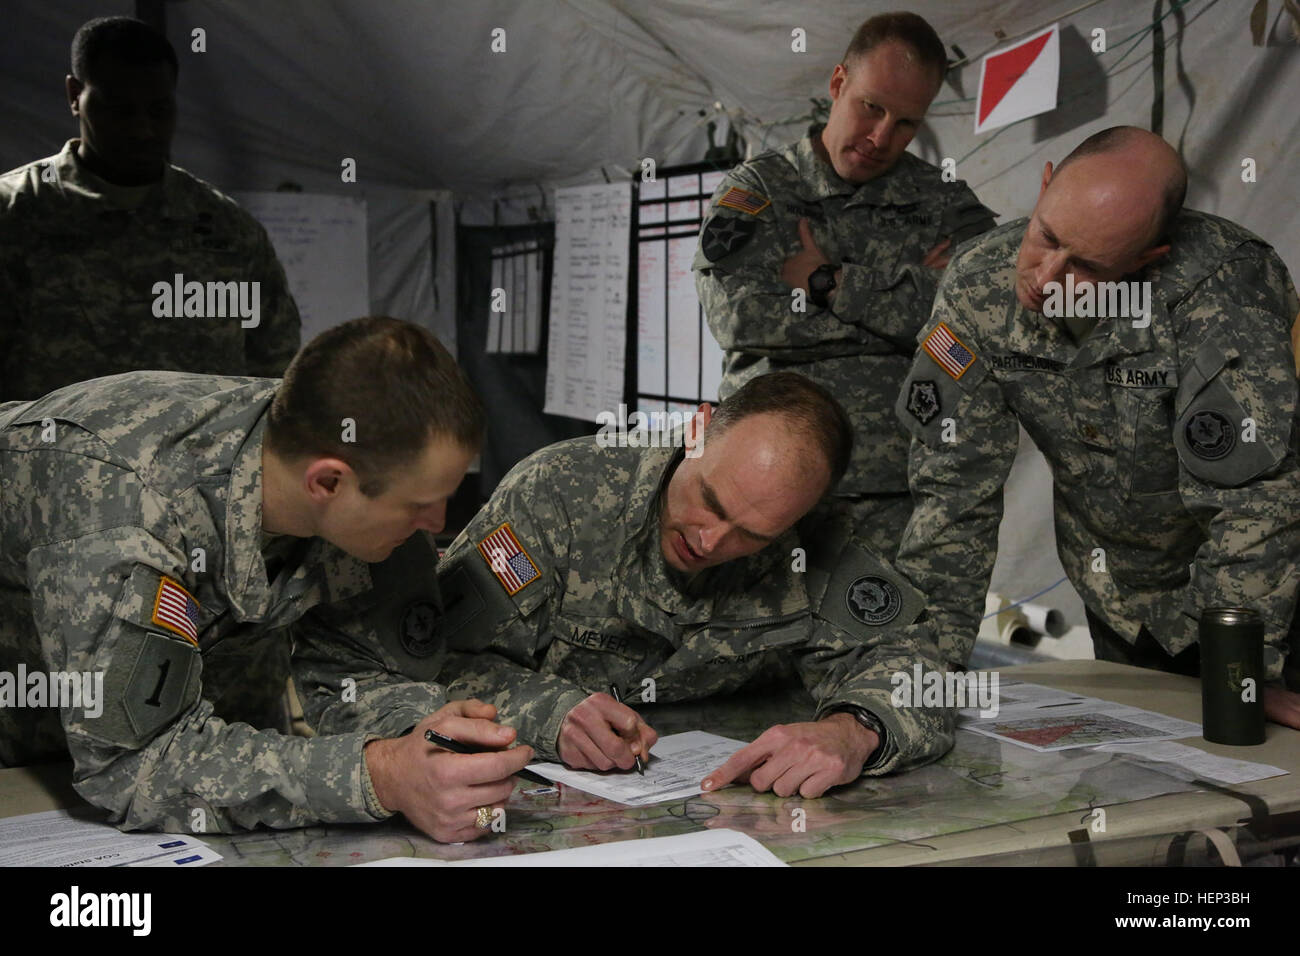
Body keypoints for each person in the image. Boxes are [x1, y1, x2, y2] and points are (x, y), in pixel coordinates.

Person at [0, 317, 534, 843]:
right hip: (31, 752)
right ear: (327, 481)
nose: (438, 526)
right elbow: (132, 766)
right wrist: (380, 775)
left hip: (207, 748)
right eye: (419, 506)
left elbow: (357, 669)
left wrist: (426, 743)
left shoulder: (358, 459)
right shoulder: (123, 496)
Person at [894, 126, 1300, 728]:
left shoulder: (1219, 292)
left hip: (1263, 606)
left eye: (1086, 265)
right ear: (1046, 182)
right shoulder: (980, 288)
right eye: (1046, 236)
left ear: (1146, 259)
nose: (1047, 276)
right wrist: (926, 679)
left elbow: (1255, 502)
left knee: (1256, 780)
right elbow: (952, 495)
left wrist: (1238, 668)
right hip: (1122, 598)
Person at [433, 372, 952, 799]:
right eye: (711, 501)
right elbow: (434, 657)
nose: (709, 540)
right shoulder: (559, 494)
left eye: (751, 535)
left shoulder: (813, 541)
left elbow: (920, 664)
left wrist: (854, 730)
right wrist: (549, 713)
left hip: (727, 806)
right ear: (697, 429)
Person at [694, 11, 996, 556]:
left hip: (899, 489)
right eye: (871, 107)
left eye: (906, 123)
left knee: (883, 635)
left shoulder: (945, 201)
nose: (881, 136)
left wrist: (827, 282)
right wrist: (907, 313)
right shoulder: (760, 190)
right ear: (838, 84)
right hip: (766, 480)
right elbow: (741, 319)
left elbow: (984, 320)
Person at [0, 16, 301, 401]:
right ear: (75, 95)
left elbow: (277, 376)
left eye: (159, 110)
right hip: (53, 460)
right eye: (119, 110)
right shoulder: (17, 216)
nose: (142, 129)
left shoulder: (227, 232)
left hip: (197, 461)